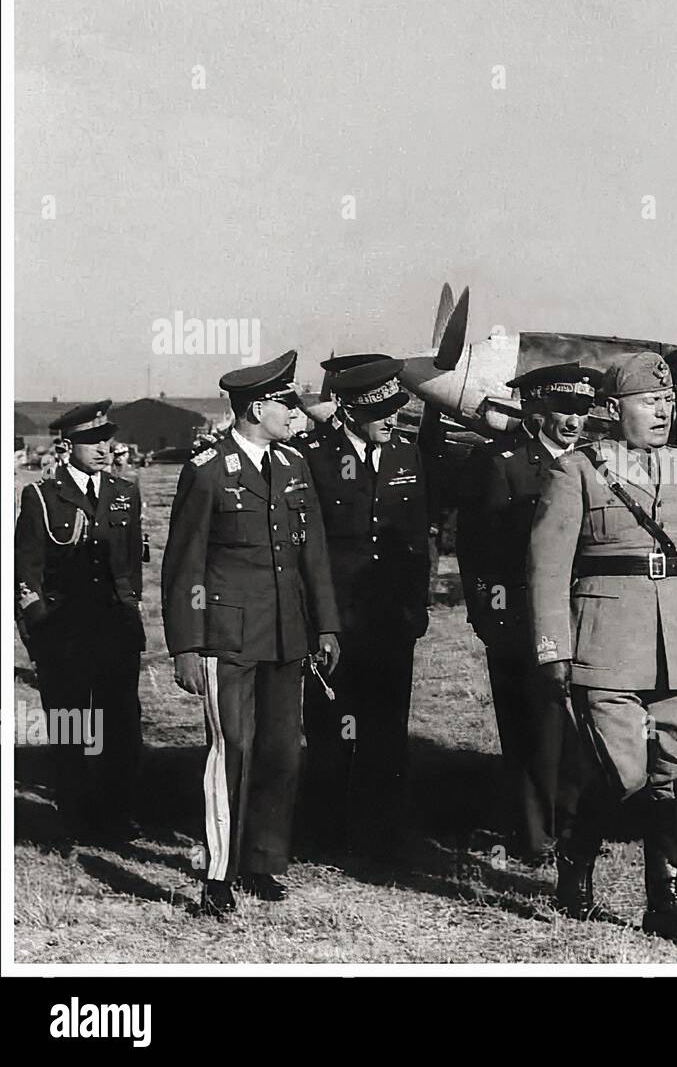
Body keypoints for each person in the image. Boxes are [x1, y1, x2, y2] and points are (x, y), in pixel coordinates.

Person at [527, 351, 677, 944]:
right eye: (648, 401)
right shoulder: (577, 470)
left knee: (672, 770)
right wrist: (553, 649)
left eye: (666, 401)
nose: (662, 409)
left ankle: (664, 906)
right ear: (611, 409)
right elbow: (547, 568)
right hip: (606, 642)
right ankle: (575, 869)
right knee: (624, 769)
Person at [161, 350, 342, 917]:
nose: (295, 412)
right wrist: (187, 645)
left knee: (281, 752)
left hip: (288, 635)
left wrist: (327, 625)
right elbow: (184, 564)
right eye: (286, 403)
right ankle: (218, 875)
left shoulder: (293, 465)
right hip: (228, 637)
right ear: (257, 407)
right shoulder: (208, 470)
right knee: (230, 750)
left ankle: (263, 861)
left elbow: (312, 554)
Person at [291, 356, 434, 860]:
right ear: (349, 410)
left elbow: (416, 539)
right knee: (331, 727)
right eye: (383, 411)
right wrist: (316, 619)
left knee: (387, 728)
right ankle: (327, 832)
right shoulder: (309, 456)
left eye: (397, 408)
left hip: (390, 619)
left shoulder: (405, 455)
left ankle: (382, 834)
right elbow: (305, 547)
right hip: (335, 621)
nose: (394, 418)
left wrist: (416, 607)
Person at [457, 363, 600, 861]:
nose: (575, 420)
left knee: (578, 725)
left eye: (583, 410)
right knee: (531, 730)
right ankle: (534, 836)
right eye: (565, 409)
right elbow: (478, 549)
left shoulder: (593, 466)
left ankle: (573, 828)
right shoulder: (504, 465)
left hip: (582, 616)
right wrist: (489, 616)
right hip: (520, 618)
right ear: (535, 411)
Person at [15, 402, 145, 843]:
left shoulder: (125, 491)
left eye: (107, 439)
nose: (104, 449)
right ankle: (75, 816)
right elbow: (26, 571)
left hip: (114, 628)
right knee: (71, 724)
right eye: (93, 441)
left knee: (120, 725)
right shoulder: (41, 496)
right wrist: (39, 629)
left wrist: (130, 612)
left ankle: (117, 814)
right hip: (64, 631)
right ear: (67, 445)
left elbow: (130, 564)